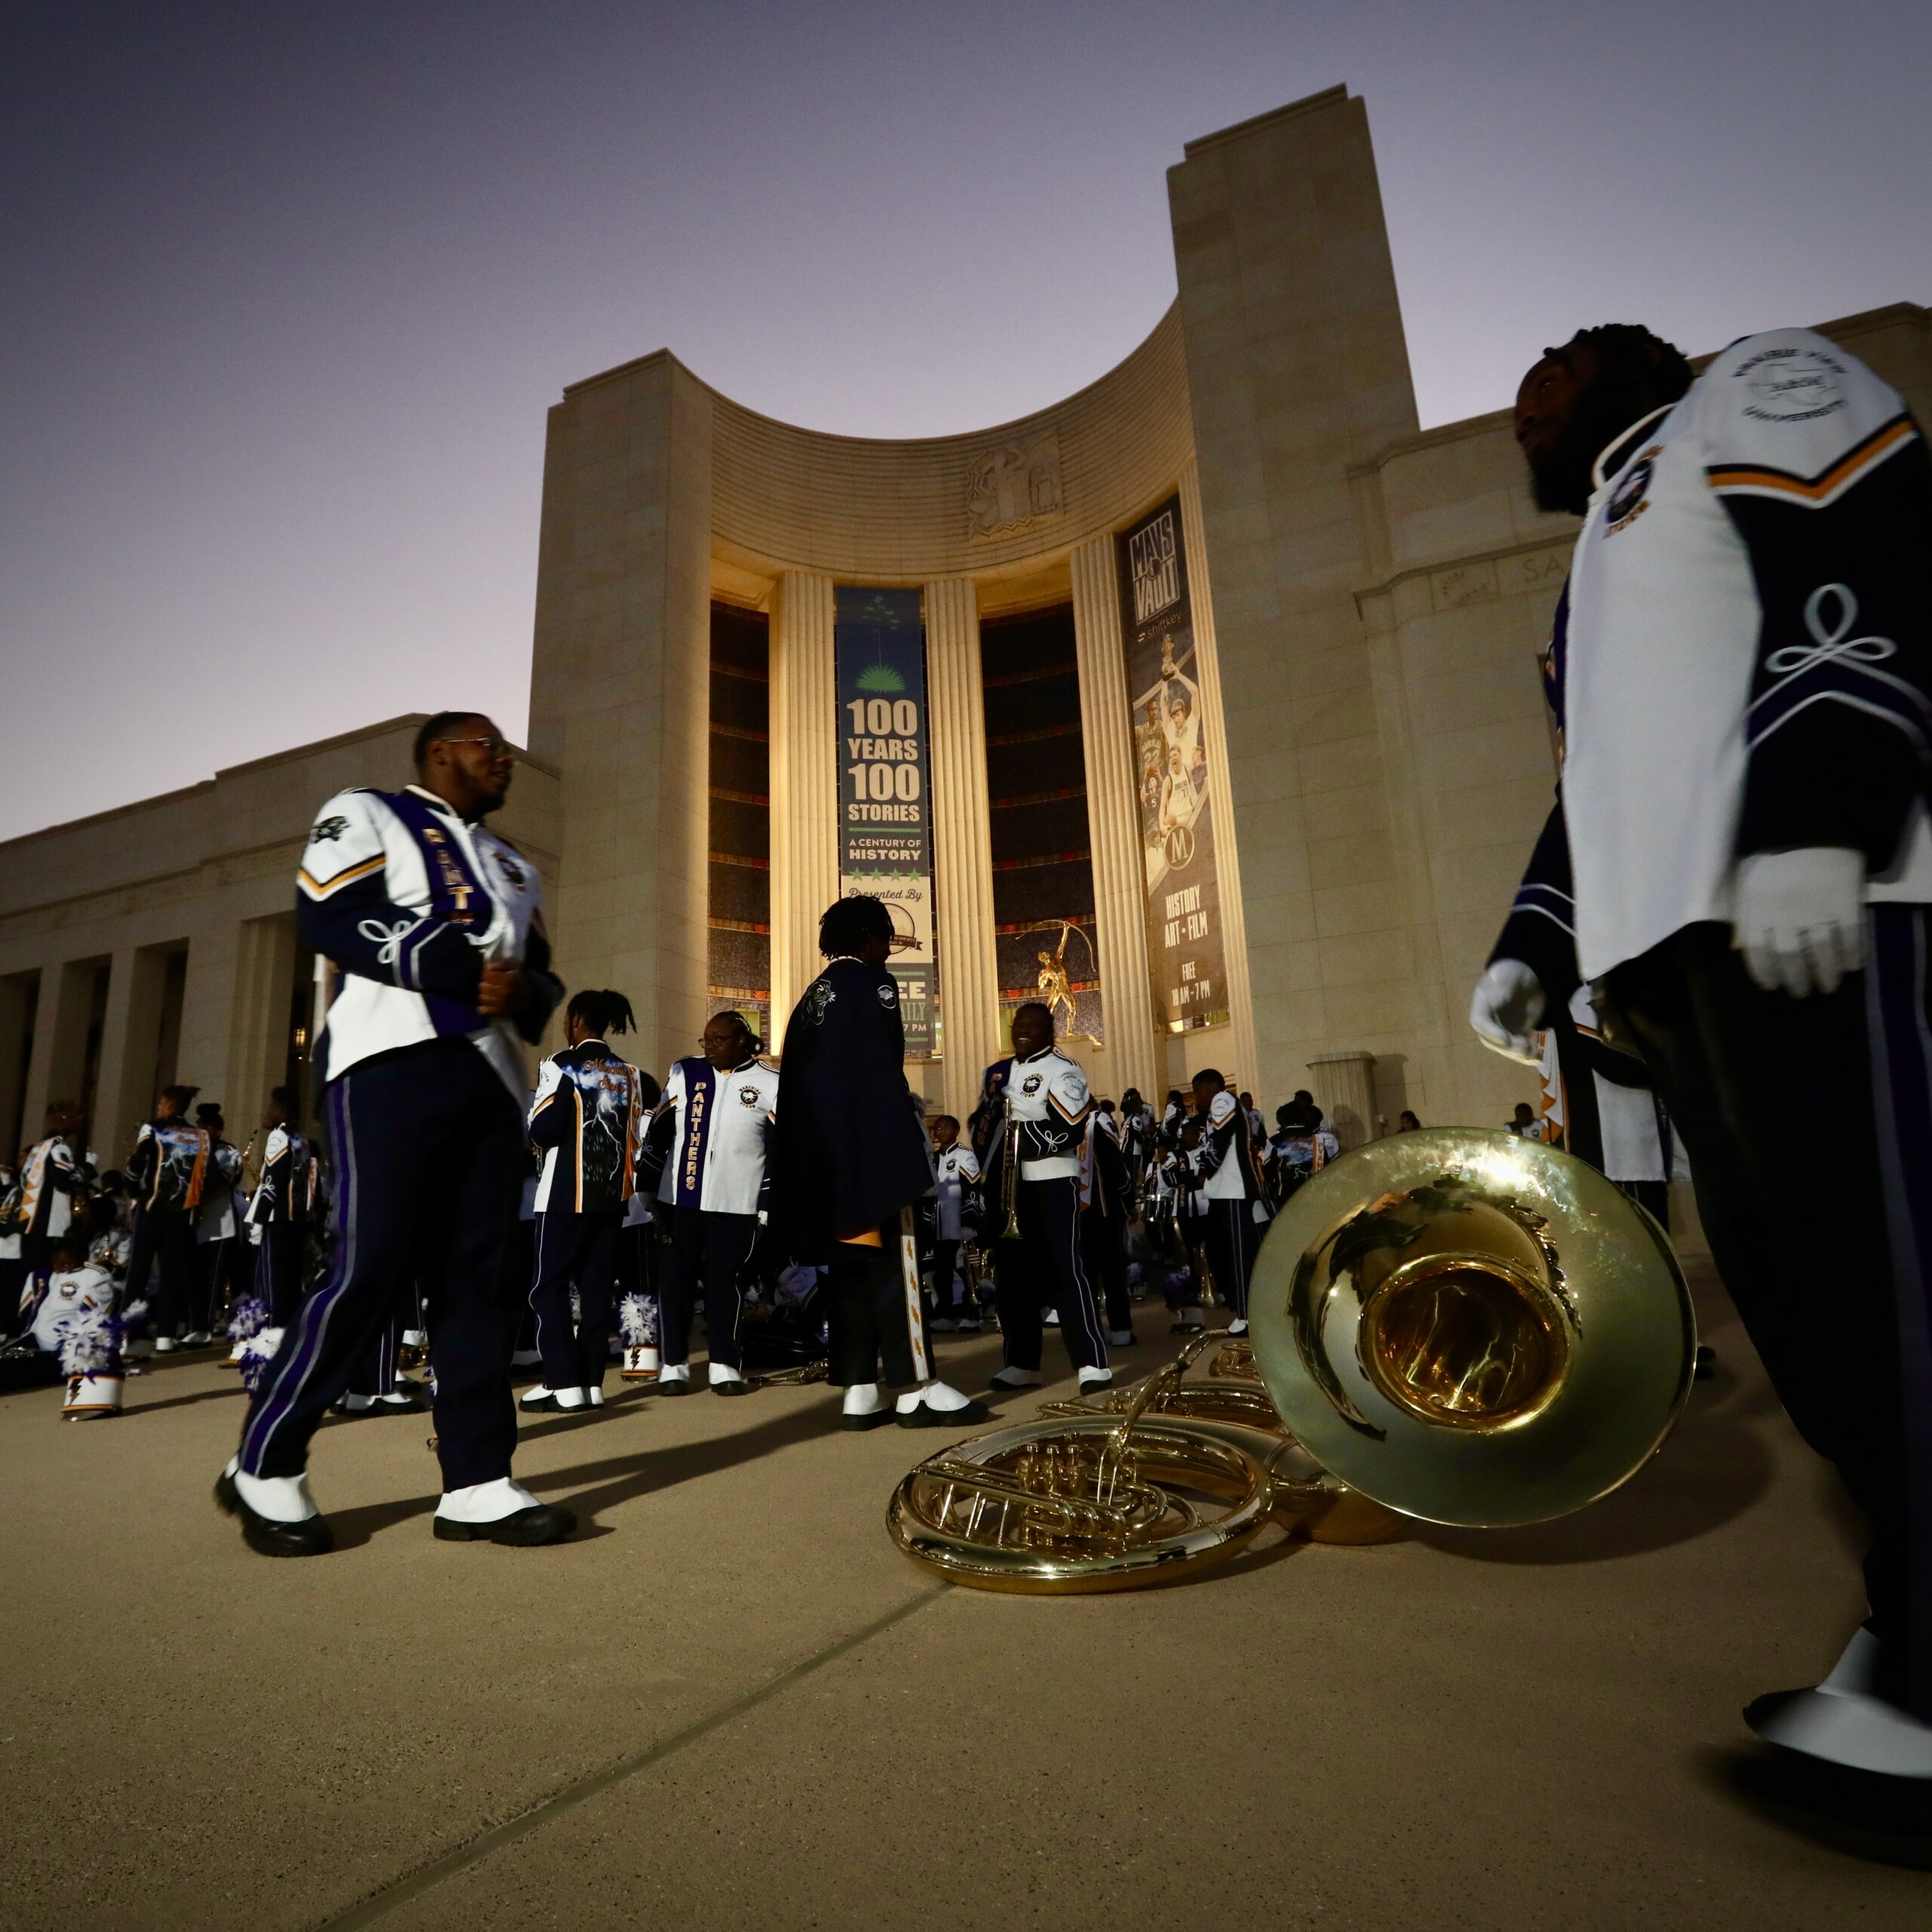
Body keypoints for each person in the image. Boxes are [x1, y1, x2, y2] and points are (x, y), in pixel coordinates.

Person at [1469, 320, 1932, 1807]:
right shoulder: (1597, 553)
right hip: (1683, 969)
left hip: (1821, 917)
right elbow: (1594, 780)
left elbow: (1862, 544)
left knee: (1891, 1291)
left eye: (1546, 372)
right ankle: (1914, 1646)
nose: (1519, 403)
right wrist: (1533, 942)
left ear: (1619, 362)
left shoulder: (1751, 387)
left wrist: (1822, 803)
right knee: (1810, 1319)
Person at [218, 709, 571, 1556]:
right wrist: (456, 966)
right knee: (369, 1265)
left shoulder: (516, 865)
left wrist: (524, 997)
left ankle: (478, 1478)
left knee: (477, 1283)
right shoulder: (368, 810)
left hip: (489, 1083)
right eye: (490, 746)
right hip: (386, 1062)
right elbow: (331, 913)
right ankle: (265, 1461)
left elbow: (540, 974)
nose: (506, 761)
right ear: (441, 752)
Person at [771, 895, 986, 1430]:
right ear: (867, 937)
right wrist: (903, 1159)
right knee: (900, 1266)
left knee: (848, 1275)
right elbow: (885, 1071)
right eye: (886, 937)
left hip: (826, 1167)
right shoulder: (875, 984)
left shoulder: (808, 999)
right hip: (874, 1158)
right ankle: (918, 1386)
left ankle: (859, 1388)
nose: (889, 949)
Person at [974, 1000, 1112, 1395]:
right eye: (1018, 1023)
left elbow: (1067, 1128)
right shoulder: (1003, 1073)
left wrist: (1019, 1136)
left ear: (1048, 1032)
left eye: (1032, 1026)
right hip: (1012, 1185)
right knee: (1014, 1277)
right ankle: (1022, 1363)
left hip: (1052, 1181)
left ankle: (1092, 1362)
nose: (1022, 1030)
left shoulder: (1063, 1070)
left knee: (1066, 1271)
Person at [523, 989, 646, 1412]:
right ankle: (593, 1382)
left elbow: (542, 1128)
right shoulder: (630, 1072)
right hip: (611, 1197)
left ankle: (561, 1380)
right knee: (597, 1288)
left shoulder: (562, 1064)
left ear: (576, 1020)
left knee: (548, 1288)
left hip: (563, 1194)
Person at [646, 1009, 776, 1396]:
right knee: (675, 1283)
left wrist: (767, 1201)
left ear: (741, 1040)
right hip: (680, 1201)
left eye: (718, 1040)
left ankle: (724, 1363)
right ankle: (674, 1364)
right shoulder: (685, 1072)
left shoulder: (771, 1083)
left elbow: (779, 1149)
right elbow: (660, 1128)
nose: (710, 1047)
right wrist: (647, 1185)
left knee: (726, 1284)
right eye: (705, 1040)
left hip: (737, 1203)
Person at [1186, 1068, 1272, 1337]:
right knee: (1223, 1253)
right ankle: (1243, 1310)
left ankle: (1246, 1316)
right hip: (1224, 1191)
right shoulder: (1219, 1106)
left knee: (1238, 1255)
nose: (1196, 1097)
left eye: (1198, 1090)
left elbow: (1219, 1144)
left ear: (1212, 1087)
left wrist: (1203, 1173)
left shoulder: (1222, 1101)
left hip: (1234, 1191)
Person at [125, 1086, 207, 1352]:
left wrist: (134, 1192)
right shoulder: (201, 1136)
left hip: (151, 1208)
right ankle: (165, 1335)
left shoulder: (153, 1129)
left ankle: (129, 1334)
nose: (159, 1107)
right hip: (182, 1213)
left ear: (170, 1105)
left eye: (161, 1102)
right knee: (172, 1273)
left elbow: (136, 1166)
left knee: (139, 1270)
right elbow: (207, 1175)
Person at [14, 1103, 89, 1333]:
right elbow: (64, 1181)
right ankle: (43, 1329)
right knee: (50, 1278)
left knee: (30, 1279)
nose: (80, 1120)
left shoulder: (38, 1148)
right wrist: (88, 1169)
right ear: (63, 1118)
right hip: (51, 1227)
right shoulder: (59, 1148)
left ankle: (22, 1327)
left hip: (30, 1224)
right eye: (75, 1115)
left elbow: (24, 1179)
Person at [31, 1233, 123, 1419]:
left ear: (82, 1258)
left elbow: (95, 1317)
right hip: (38, 1339)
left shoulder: (96, 1276)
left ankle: (91, 1400)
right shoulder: (55, 1275)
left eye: (66, 1265)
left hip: (66, 1342)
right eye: (56, 1266)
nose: (60, 1270)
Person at [188, 1102, 243, 1348]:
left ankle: (205, 1328)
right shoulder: (191, 1150)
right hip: (195, 1222)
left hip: (221, 1225)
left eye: (206, 1128)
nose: (201, 1131)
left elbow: (221, 1182)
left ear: (217, 1131)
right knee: (194, 1277)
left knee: (212, 1280)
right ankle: (192, 1325)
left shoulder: (228, 1152)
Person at [1081, 1100, 1136, 1347]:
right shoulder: (1100, 1121)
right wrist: (1129, 1200)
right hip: (1104, 1210)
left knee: (1087, 1276)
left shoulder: (1062, 1127)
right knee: (1112, 1273)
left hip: (1078, 1213)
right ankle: (1120, 1328)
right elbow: (1117, 1166)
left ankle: (1092, 1332)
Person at [925, 1115, 981, 1333]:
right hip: (939, 1229)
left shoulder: (965, 1156)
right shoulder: (932, 1159)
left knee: (966, 1272)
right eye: (938, 1128)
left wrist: (969, 1222)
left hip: (959, 1227)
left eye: (946, 1127)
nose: (941, 1130)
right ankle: (946, 1315)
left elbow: (972, 1190)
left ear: (956, 1130)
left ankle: (973, 1315)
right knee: (942, 1275)